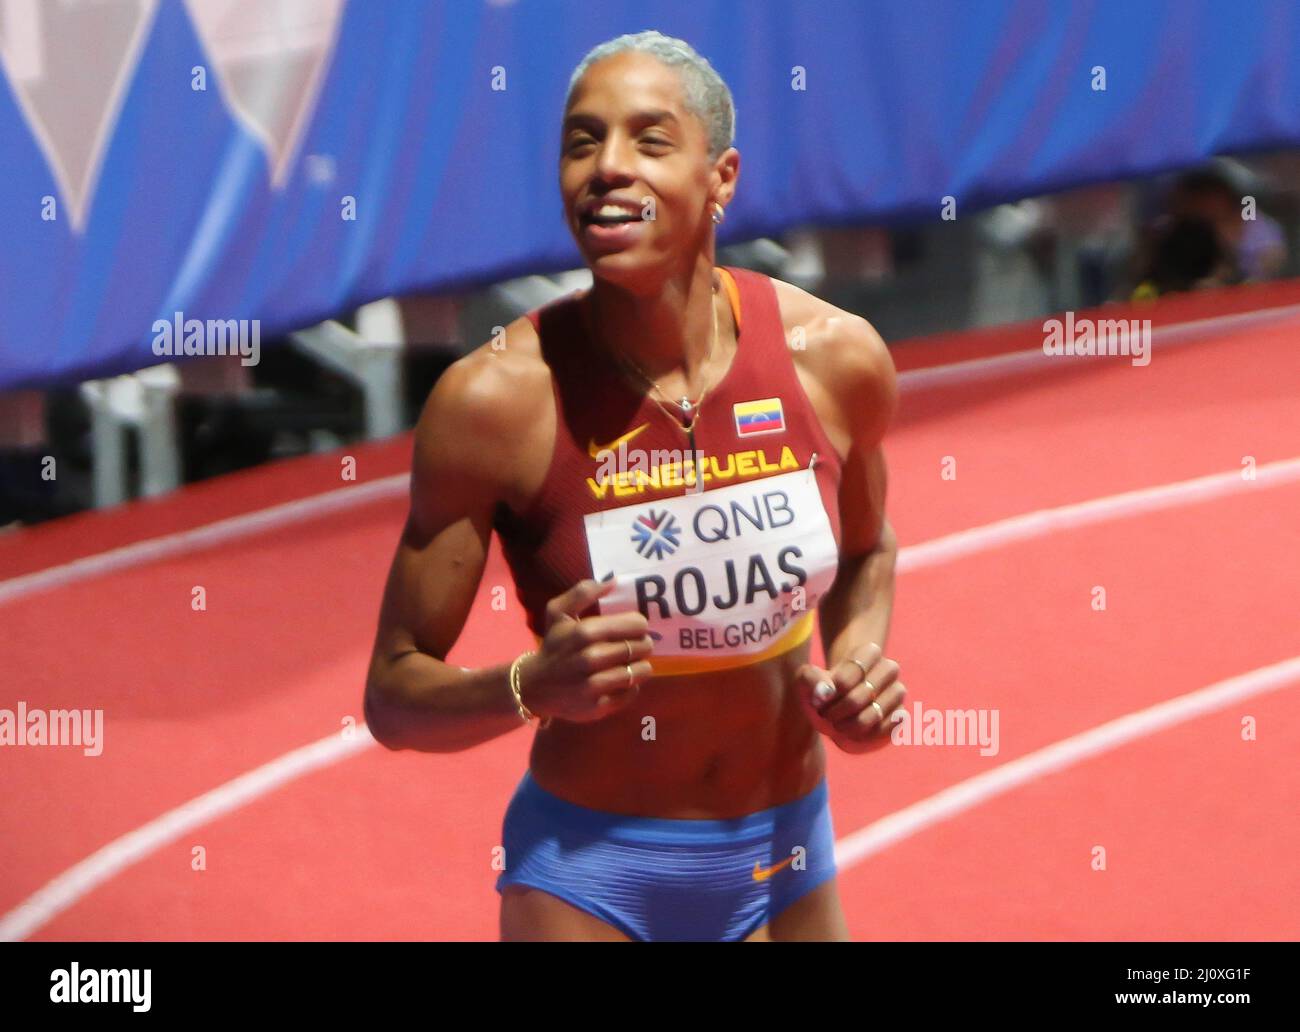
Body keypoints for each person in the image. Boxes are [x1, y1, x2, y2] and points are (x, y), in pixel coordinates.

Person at [364, 30, 904, 942]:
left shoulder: (836, 360)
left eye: (649, 140)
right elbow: (392, 697)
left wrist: (856, 662)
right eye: (583, 142)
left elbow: (865, 548)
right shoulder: (494, 402)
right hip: (591, 875)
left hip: (786, 856)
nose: (608, 166)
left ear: (721, 177)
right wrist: (532, 684)